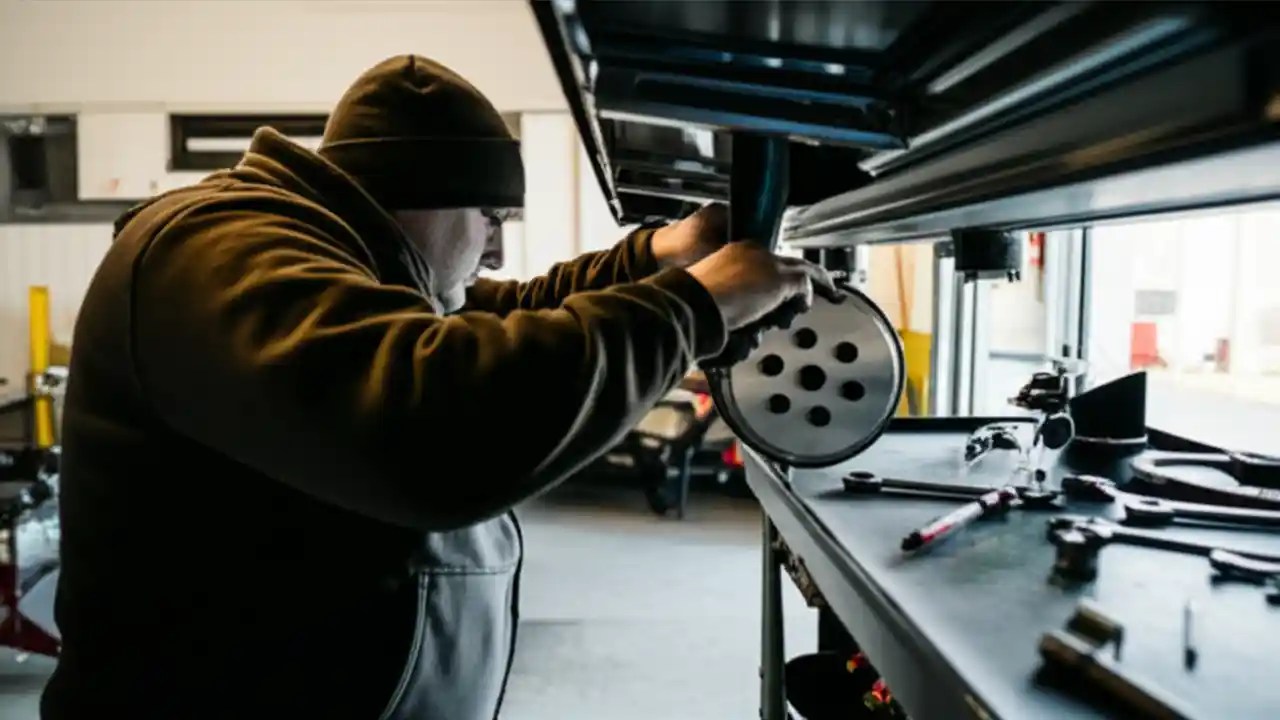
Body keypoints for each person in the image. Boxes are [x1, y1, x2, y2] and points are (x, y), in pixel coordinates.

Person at [43, 55, 830, 719]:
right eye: (491, 217)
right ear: (420, 196)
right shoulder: (217, 248)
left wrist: (654, 257)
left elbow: (500, 312)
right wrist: (695, 306)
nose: (493, 251)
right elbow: (434, 422)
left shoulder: (346, 258)